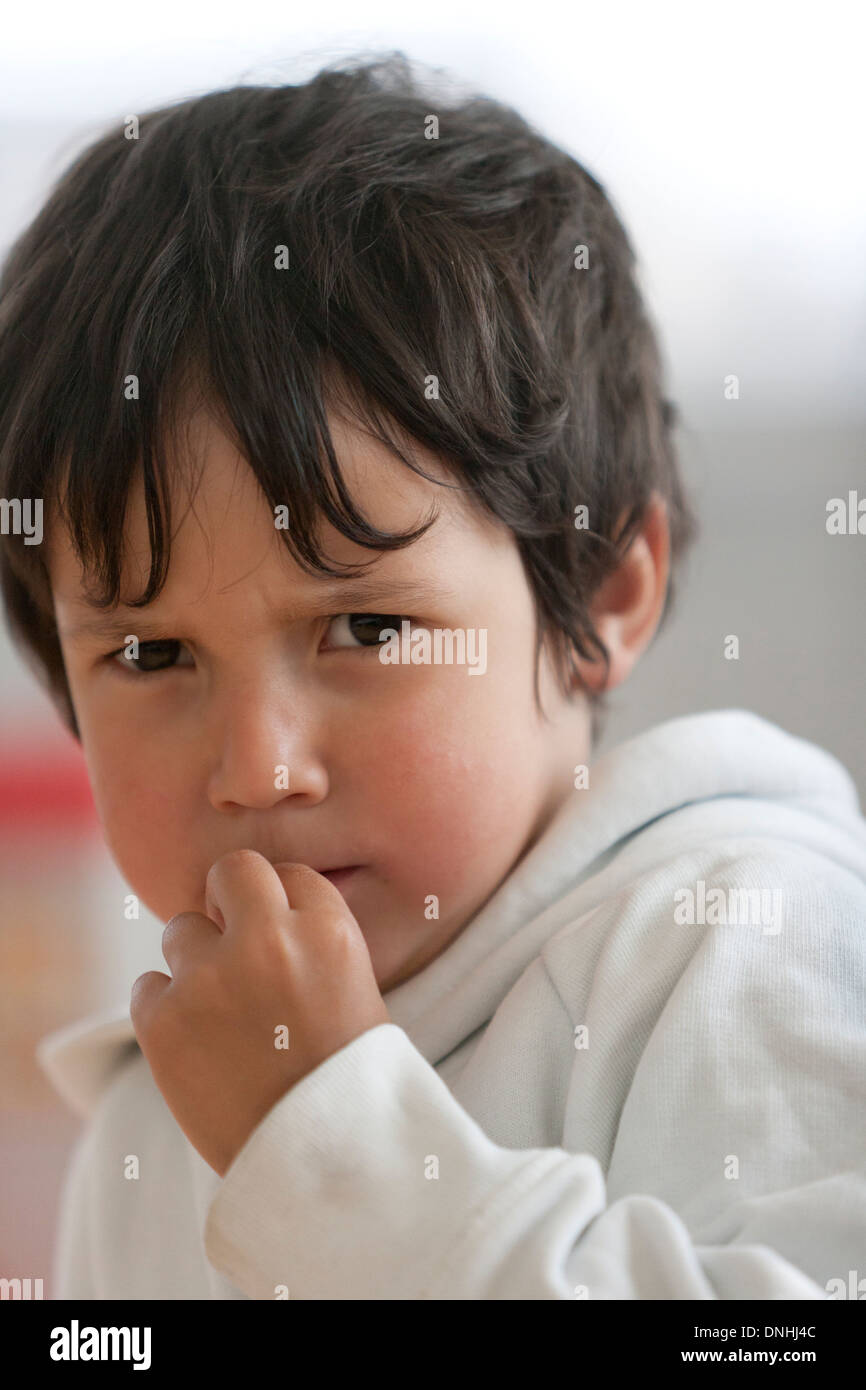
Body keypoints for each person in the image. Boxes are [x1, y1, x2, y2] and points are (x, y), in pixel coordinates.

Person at [1, 54, 864, 1300]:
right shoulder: (153, 1114)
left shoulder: (732, 948)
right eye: (150, 653)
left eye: (363, 629)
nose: (257, 766)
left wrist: (325, 1143)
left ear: (602, 596)